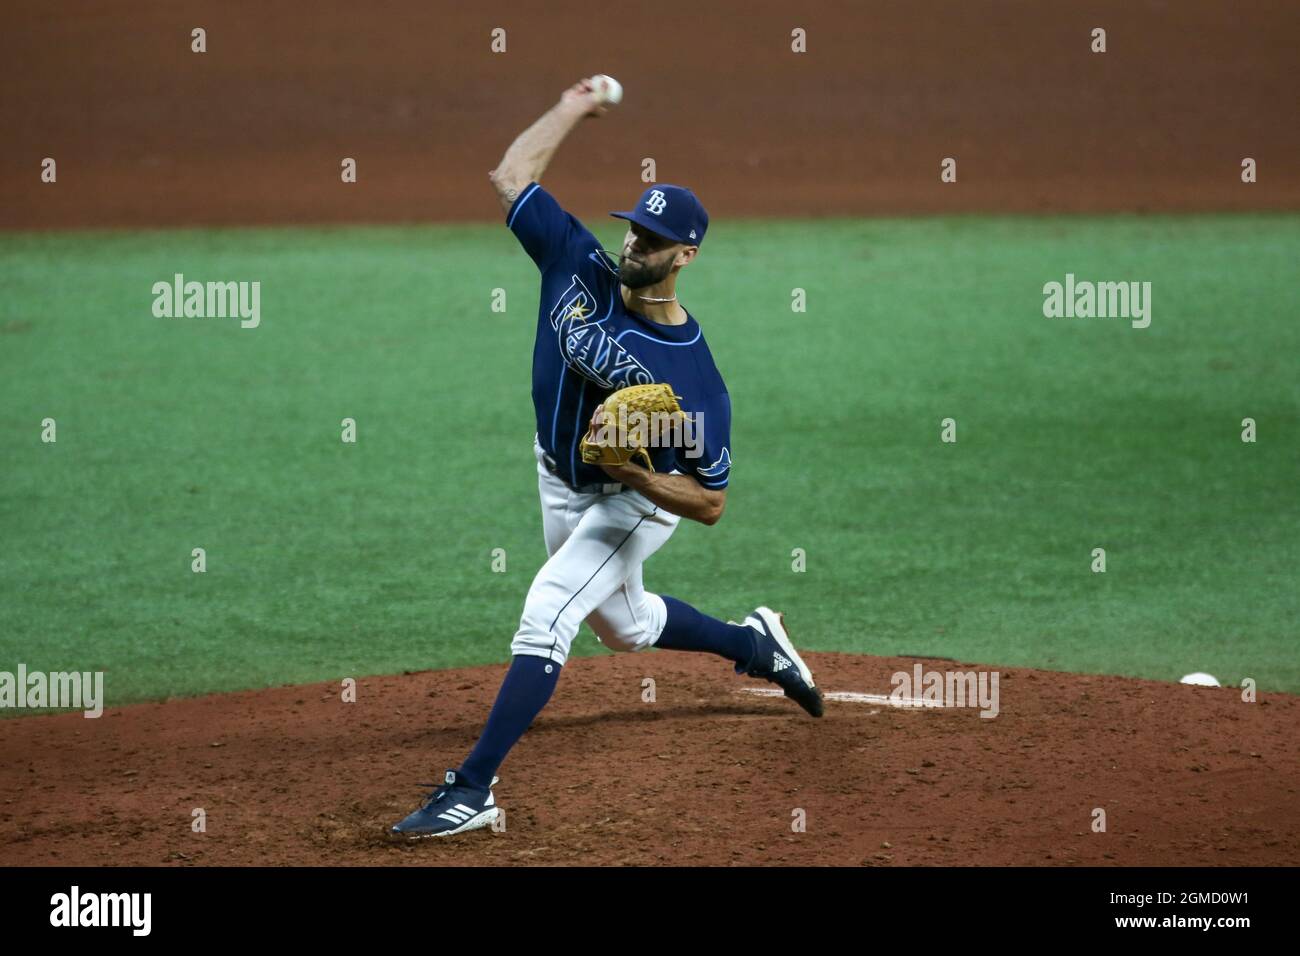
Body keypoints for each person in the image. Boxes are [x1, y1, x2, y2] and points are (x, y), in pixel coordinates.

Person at [390, 78, 822, 839]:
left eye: (653, 243)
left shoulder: (693, 377)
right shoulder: (576, 261)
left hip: (633, 501)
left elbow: (712, 502)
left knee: (549, 611)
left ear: (685, 256)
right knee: (623, 625)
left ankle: (473, 788)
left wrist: (635, 476)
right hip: (554, 473)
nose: (634, 246)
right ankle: (758, 642)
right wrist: (573, 105)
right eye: (632, 230)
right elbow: (510, 178)